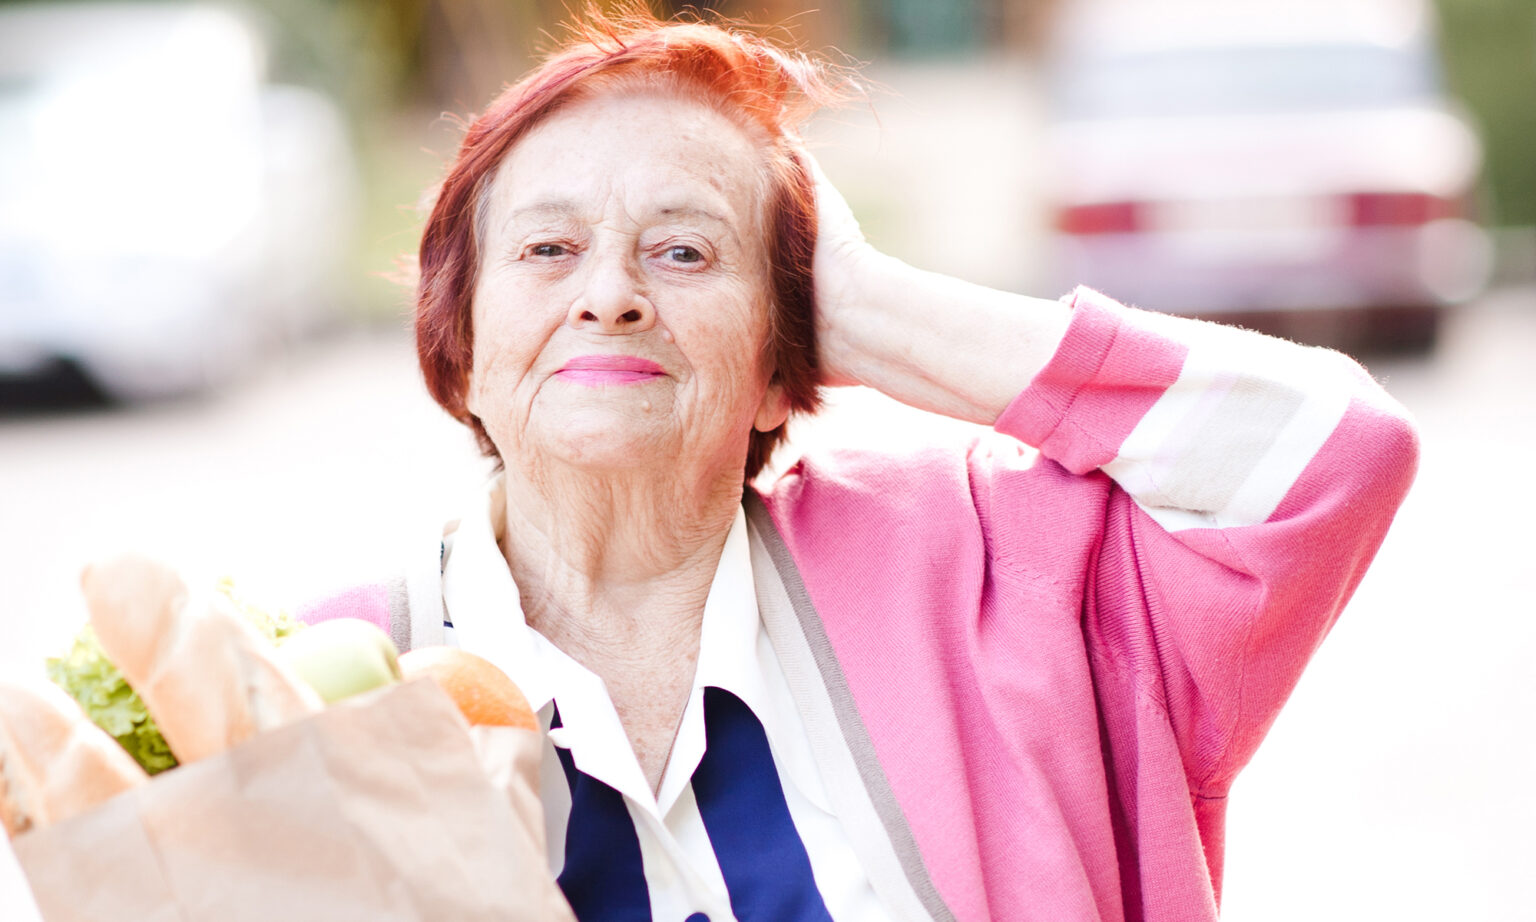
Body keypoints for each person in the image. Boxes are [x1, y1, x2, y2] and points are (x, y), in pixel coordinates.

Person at [302, 9, 1419, 921]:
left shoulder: (992, 569)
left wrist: (883, 314)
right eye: (548, 249)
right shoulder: (315, 681)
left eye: (685, 250)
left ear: (790, 363)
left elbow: (1329, 456)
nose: (610, 293)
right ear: (459, 345)